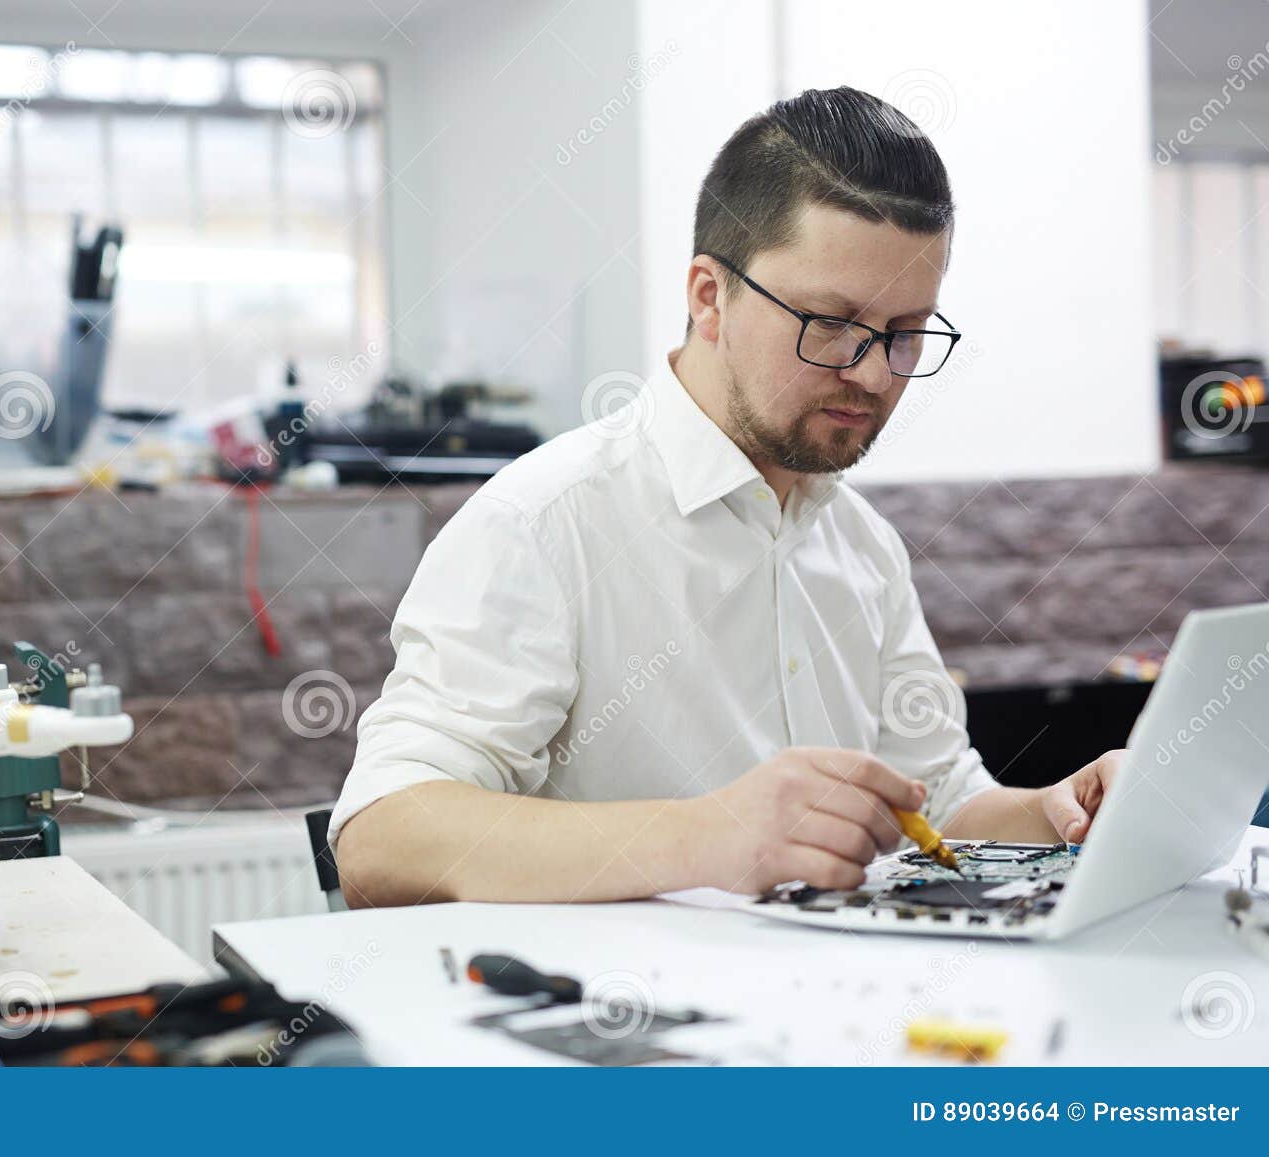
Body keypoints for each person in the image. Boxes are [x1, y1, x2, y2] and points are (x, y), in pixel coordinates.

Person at [330, 86, 1122, 908]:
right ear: (709, 297)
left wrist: (1056, 810)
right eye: (831, 322)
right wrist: (707, 838)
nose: (874, 372)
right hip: (626, 1025)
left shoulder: (862, 543)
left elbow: (937, 802)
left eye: (906, 332)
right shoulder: (542, 523)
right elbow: (383, 838)